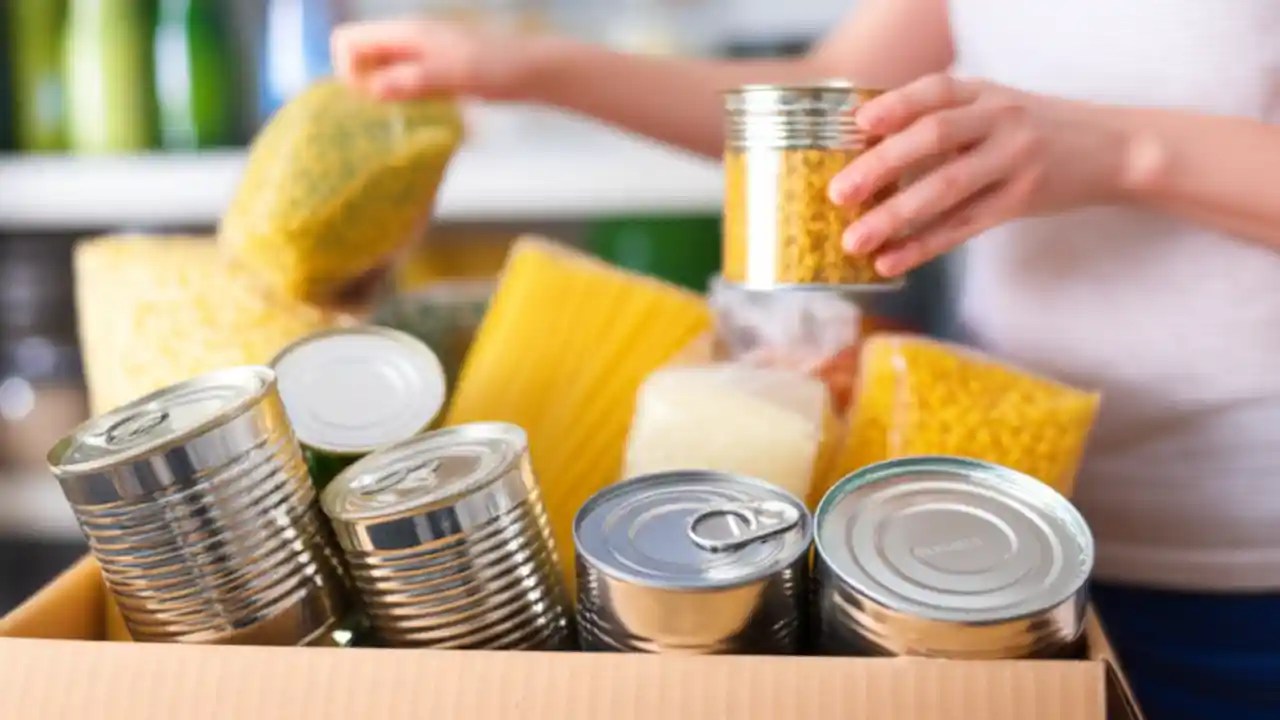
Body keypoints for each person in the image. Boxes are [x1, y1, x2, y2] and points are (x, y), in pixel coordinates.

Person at [330, 2, 1280, 717]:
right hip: (1002, 539)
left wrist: (1127, 152)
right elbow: (829, 100)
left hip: (1249, 566)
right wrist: (536, 68)